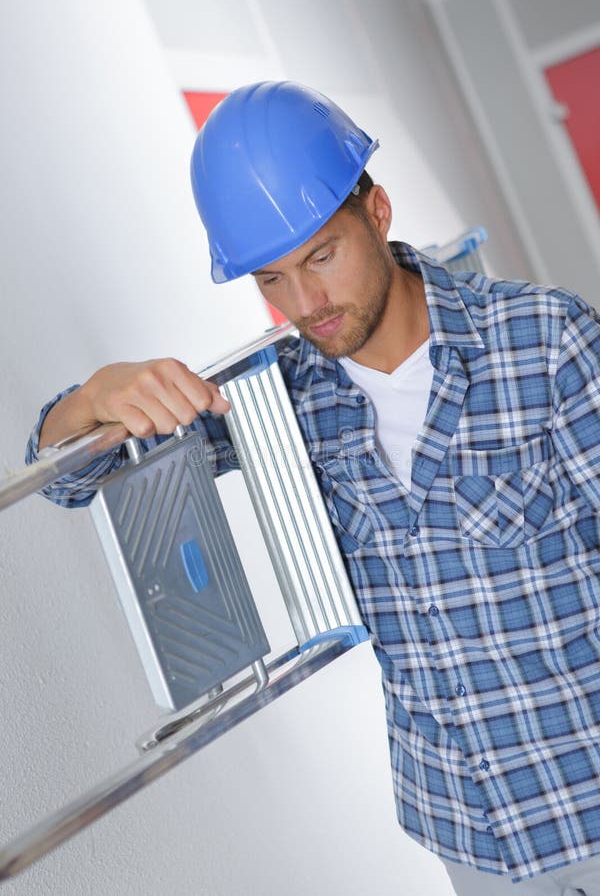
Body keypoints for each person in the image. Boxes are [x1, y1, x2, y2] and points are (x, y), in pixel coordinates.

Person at [26, 81, 600, 895]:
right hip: (470, 835)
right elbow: (69, 482)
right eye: (272, 280)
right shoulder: (285, 399)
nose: (306, 305)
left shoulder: (545, 342)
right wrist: (92, 398)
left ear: (378, 213)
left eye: (321, 258)